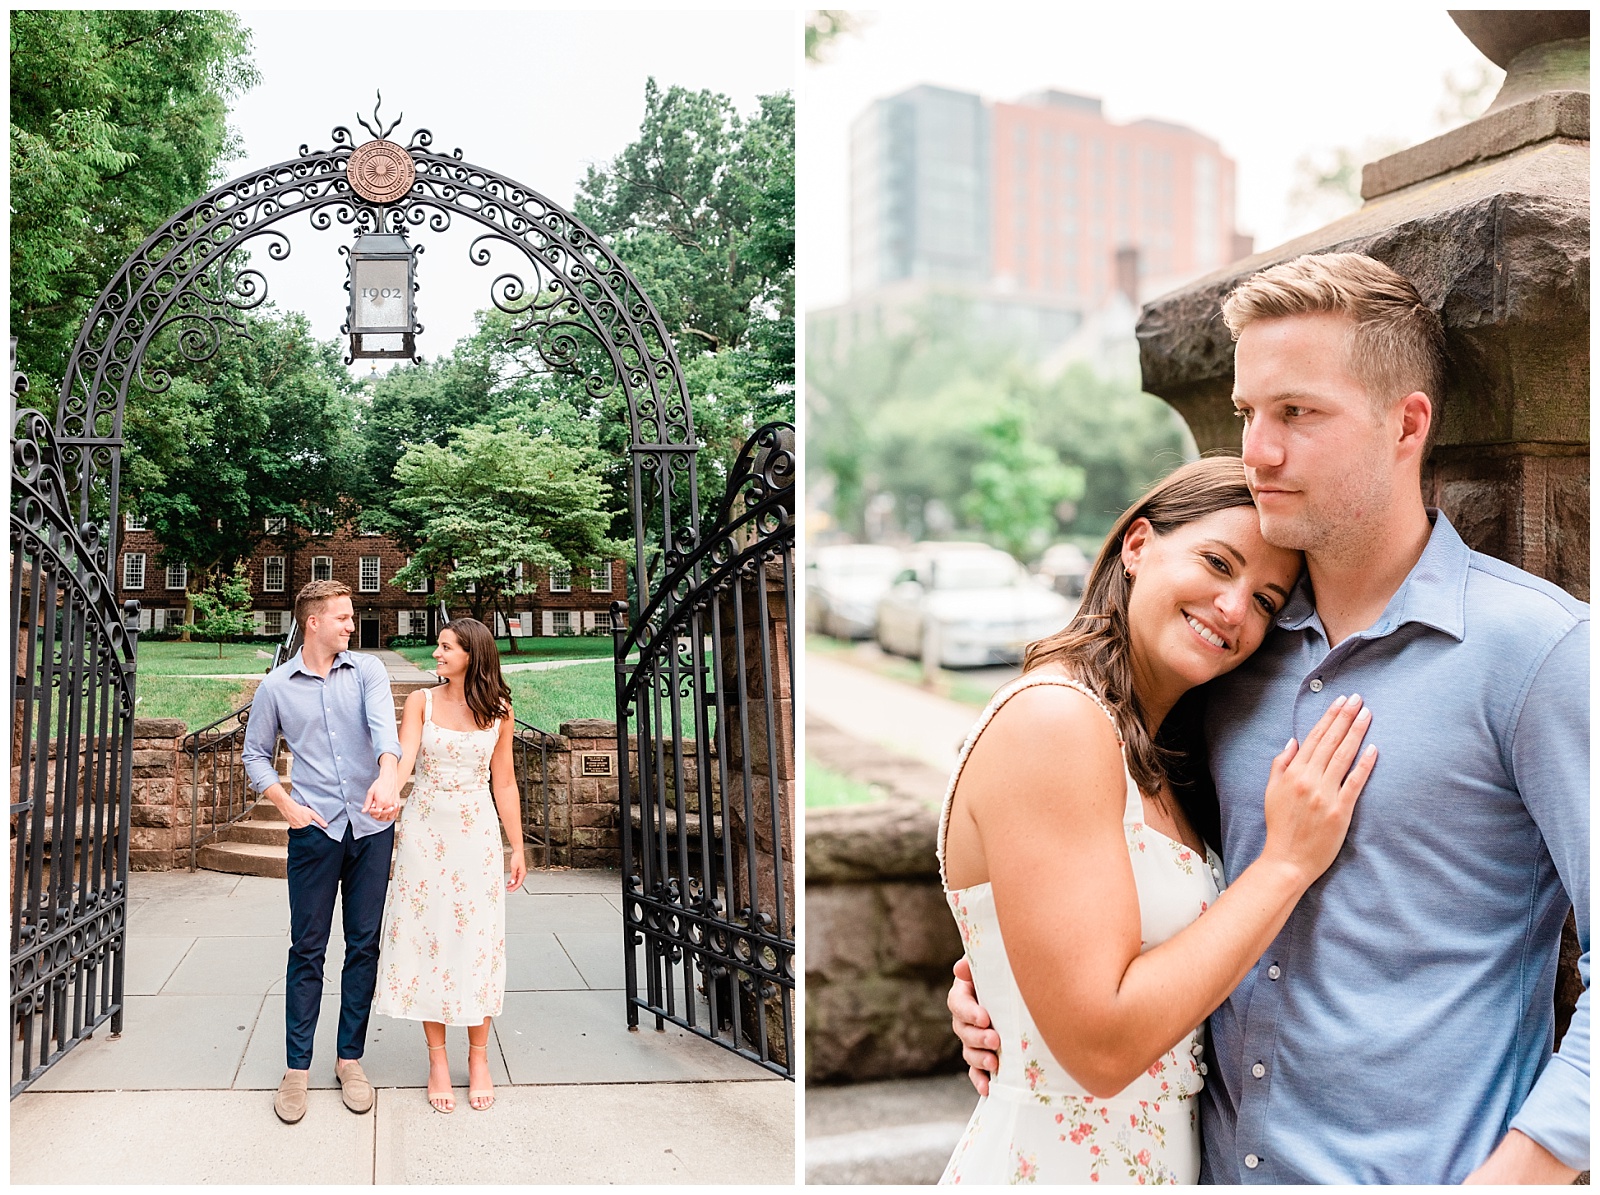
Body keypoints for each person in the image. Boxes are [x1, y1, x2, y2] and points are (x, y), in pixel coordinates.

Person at [949, 253, 1590, 1183]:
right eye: (1251, 413)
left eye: (1298, 413)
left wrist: (1519, 1177)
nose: (1258, 451)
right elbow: (1115, 885)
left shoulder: (1538, 654)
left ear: (1407, 423)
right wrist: (998, 986)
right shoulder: (1226, 660)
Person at [936, 456, 1377, 1184]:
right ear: (1137, 545)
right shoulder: (1058, 719)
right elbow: (1102, 1047)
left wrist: (994, 986)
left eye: (1267, 599)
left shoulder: (1161, 750)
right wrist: (1285, 864)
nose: (1235, 609)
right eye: (1216, 562)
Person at [242, 579, 403, 1125]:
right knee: (307, 950)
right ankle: (296, 1070)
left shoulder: (370, 673)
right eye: (343, 617)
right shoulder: (276, 687)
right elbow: (255, 755)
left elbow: (387, 732)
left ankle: (350, 1059)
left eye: (351, 617)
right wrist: (286, 806)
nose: (351, 626)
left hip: (372, 828)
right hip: (315, 833)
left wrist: (387, 776)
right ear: (313, 621)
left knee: (364, 946)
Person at [373, 617, 527, 1113]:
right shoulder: (421, 702)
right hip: (424, 834)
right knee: (427, 940)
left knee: (476, 942)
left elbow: (503, 782)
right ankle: (438, 1060)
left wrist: (517, 845)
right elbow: (405, 761)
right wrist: (385, 796)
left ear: (471, 655)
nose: (435, 654)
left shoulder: (500, 710)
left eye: (445, 647)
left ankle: (478, 1058)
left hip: (476, 834)